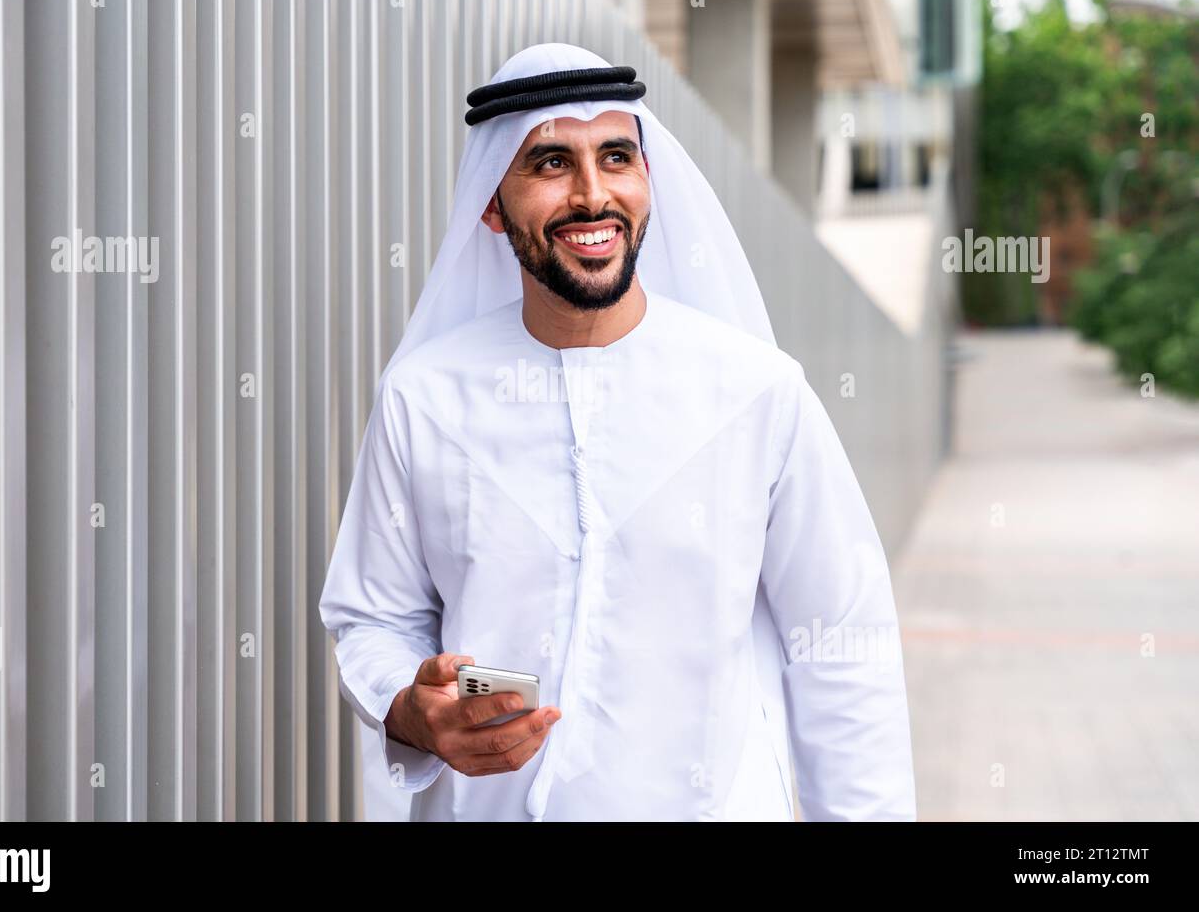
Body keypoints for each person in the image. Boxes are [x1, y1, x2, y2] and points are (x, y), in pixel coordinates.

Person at [320, 42, 916, 821]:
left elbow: (842, 649)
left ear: (647, 182)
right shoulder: (424, 398)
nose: (592, 195)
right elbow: (375, 617)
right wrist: (411, 711)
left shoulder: (756, 393)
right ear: (492, 204)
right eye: (551, 164)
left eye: (615, 157)